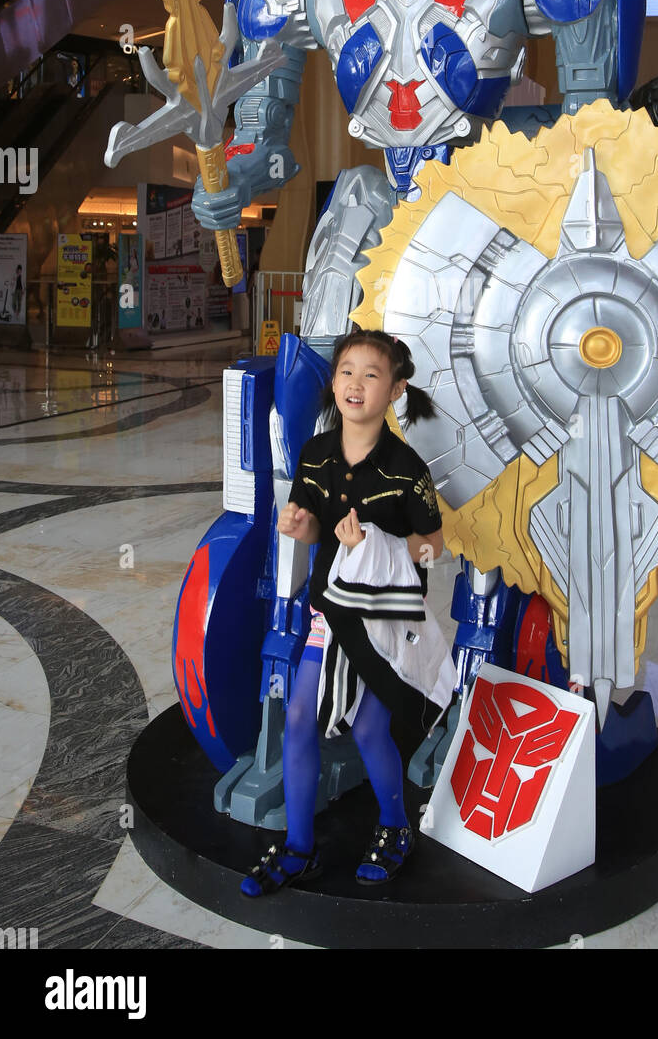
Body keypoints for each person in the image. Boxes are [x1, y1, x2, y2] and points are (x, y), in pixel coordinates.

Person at [241, 328, 445, 896]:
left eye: (371, 374)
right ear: (333, 383)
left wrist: (376, 545)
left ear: (396, 390)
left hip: (388, 617)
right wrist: (297, 526)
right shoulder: (314, 454)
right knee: (300, 718)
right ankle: (300, 848)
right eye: (346, 371)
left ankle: (395, 826)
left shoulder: (408, 470)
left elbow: (434, 546)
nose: (355, 383)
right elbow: (308, 525)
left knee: (369, 727)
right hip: (332, 612)